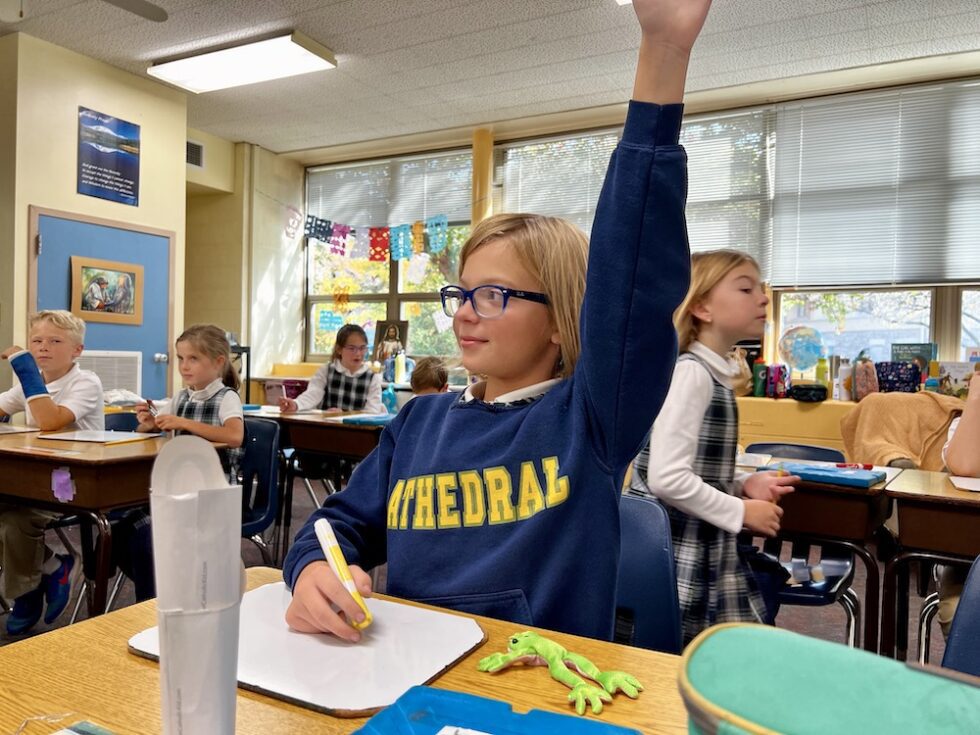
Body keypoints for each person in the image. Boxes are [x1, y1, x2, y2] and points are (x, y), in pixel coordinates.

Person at [281, 0, 707, 645]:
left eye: (495, 295)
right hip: (410, 677)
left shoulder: (590, 417)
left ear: (564, 322)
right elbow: (336, 526)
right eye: (462, 292)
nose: (463, 315)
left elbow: (635, 275)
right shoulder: (417, 423)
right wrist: (313, 568)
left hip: (535, 691)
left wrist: (664, 49)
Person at [631, 249, 799, 645]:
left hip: (703, 547)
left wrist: (742, 483)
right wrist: (741, 510)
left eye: (760, 288)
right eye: (745, 288)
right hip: (678, 554)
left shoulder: (710, 371)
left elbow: (694, 465)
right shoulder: (692, 373)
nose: (762, 297)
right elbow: (667, 478)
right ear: (702, 306)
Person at [0, 310, 104, 634]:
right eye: (36, 341)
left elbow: (49, 420)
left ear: (77, 350)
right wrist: (29, 378)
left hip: (74, 482)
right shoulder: (33, 384)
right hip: (35, 478)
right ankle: (54, 567)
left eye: (55, 341)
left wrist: (26, 368)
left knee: (17, 521)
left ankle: (26, 594)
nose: (43, 347)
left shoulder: (85, 382)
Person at [136, 324, 244, 482]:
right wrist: (148, 424)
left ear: (218, 362)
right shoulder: (181, 397)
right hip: (182, 476)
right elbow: (153, 426)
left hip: (215, 482)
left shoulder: (227, 397)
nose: (184, 366)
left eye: (194, 359)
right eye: (181, 358)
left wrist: (184, 423)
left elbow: (234, 437)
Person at [936, 370, 979, 637]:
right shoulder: (969, 422)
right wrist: (976, 396)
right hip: (970, 559)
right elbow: (962, 465)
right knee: (961, 618)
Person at [280, 324, 383, 415]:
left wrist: (345, 414)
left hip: (358, 432)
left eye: (362, 348)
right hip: (328, 428)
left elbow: (373, 412)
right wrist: (296, 404)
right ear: (339, 349)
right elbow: (313, 394)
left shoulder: (372, 378)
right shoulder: (326, 371)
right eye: (352, 348)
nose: (358, 354)